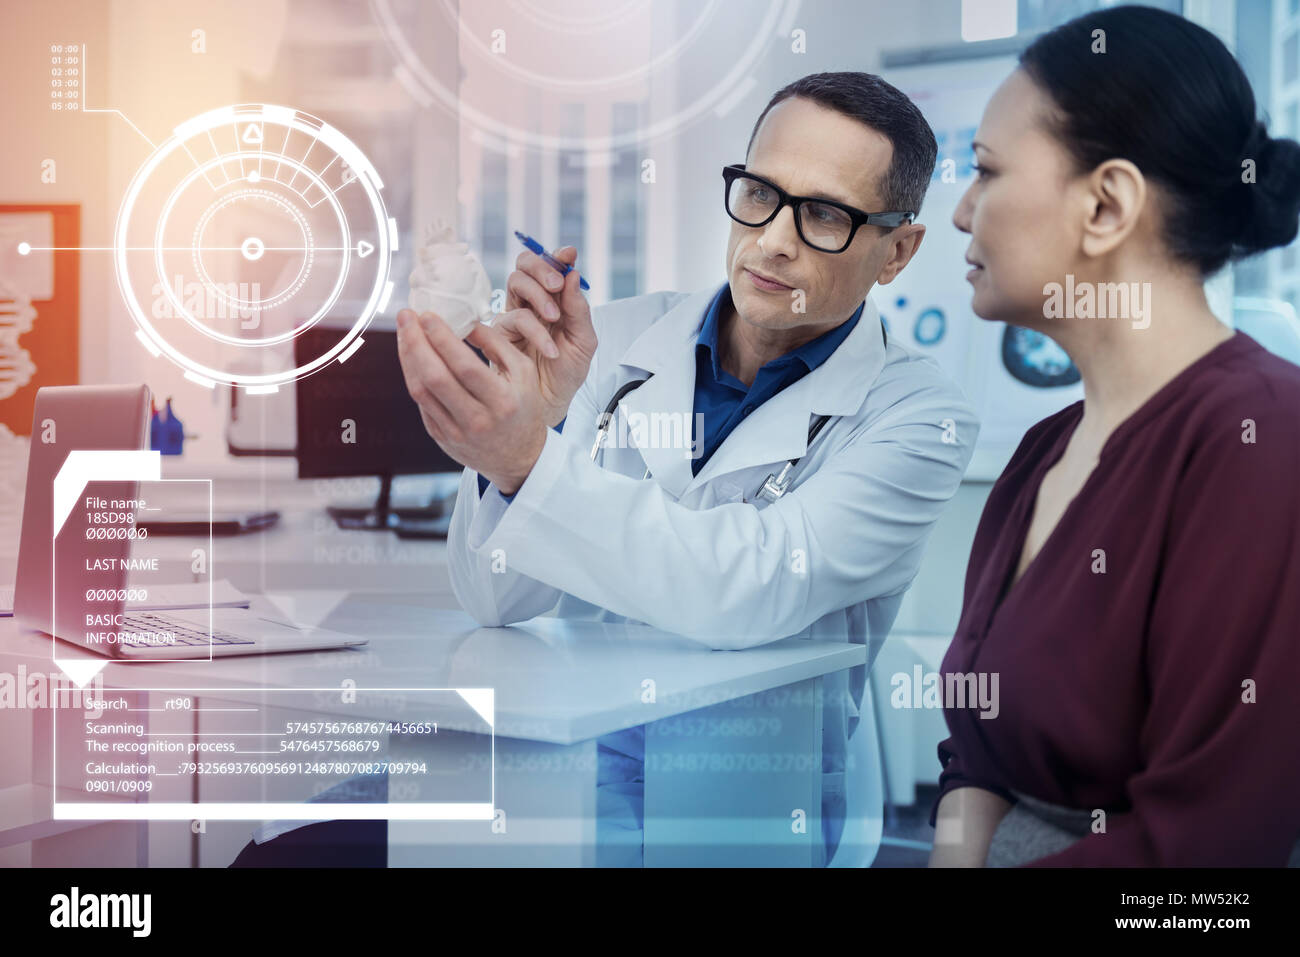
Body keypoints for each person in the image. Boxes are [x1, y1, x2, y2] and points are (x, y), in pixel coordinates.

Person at [401, 71, 977, 868]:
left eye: (823, 215)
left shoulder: (918, 417)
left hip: (745, 795)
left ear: (898, 252)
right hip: (568, 756)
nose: (773, 238)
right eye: (759, 194)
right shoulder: (620, 338)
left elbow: (751, 585)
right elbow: (496, 598)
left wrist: (531, 457)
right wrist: (541, 423)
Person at [929, 5, 1300, 867]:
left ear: (1106, 205)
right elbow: (977, 751)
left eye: (985, 172)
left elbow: (1213, 856)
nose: (960, 213)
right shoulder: (1041, 457)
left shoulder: (1260, 444)